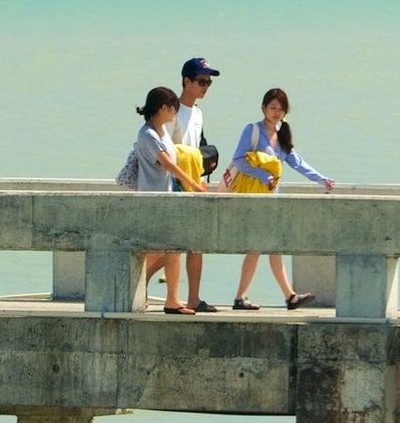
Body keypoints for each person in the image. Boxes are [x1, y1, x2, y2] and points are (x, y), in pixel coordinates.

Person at [223, 87, 336, 310]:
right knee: (261, 247)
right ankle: (259, 297)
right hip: (253, 200)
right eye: (272, 107)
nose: (276, 112)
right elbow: (238, 160)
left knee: (266, 248)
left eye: (280, 109)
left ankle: (280, 296)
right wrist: (263, 175)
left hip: (271, 202)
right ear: (264, 107)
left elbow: (297, 163)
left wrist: (322, 180)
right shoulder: (252, 130)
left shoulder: (282, 136)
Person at [127, 86, 194, 316]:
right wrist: (191, 183)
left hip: (167, 198)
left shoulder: (163, 131)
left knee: (171, 249)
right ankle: (136, 289)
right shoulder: (148, 135)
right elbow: (166, 163)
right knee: (156, 251)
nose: (175, 113)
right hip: (152, 201)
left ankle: (171, 299)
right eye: (173, 108)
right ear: (163, 108)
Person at [167, 57, 221, 312]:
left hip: (194, 183)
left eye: (208, 82)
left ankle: (193, 298)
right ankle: (146, 286)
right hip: (175, 184)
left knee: (196, 244)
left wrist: (199, 180)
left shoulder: (198, 113)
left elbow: (195, 149)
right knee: (173, 246)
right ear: (186, 81)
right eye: (201, 81)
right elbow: (165, 151)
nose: (205, 86)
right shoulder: (172, 111)